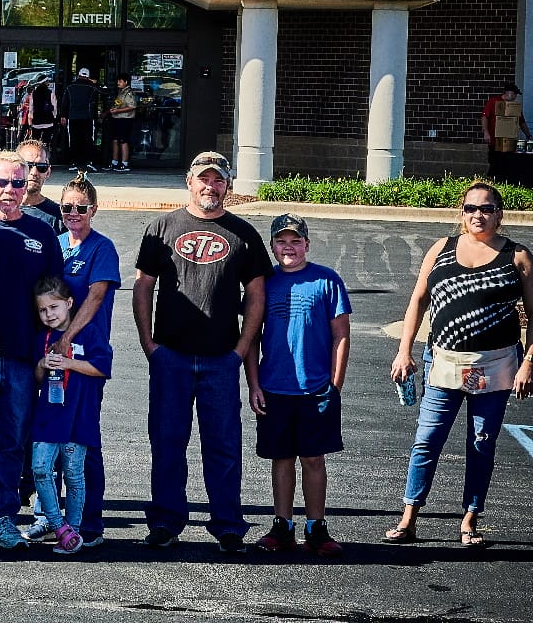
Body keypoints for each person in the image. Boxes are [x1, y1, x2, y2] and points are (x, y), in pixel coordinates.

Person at [132, 151, 269, 553]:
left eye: (218, 180)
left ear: (228, 185)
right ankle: (165, 522)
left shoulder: (244, 235)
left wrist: (241, 350)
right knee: (168, 442)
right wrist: (148, 343)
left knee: (223, 446)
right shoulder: (163, 227)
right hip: (170, 355)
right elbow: (143, 286)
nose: (211, 186)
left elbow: (257, 295)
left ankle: (227, 524)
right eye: (203, 179)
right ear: (189, 182)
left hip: (220, 359)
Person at [385, 182, 533, 548]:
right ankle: (408, 518)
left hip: (497, 365)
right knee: (426, 441)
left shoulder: (518, 257)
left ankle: (470, 519)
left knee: (482, 443)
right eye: (470, 208)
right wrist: (404, 351)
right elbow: (418, 300)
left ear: (500, 214)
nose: (477, 215)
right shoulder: (442, 248)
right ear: (461, 212)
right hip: (444, 362)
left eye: (486, 208)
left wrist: (529, 362)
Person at [0, 151, 59, 551]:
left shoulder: (43, 235)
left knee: (11, 443)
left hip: (23, 359)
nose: (9, 191)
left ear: (28, 186)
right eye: (1, 182)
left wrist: (47, 353)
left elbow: (55, 302)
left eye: (17, 183)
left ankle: (2, 519)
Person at [247, 214, 351, 556]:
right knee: (281, 459)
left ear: (307, 244)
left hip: (315, 389)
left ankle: (316, 527)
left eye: (295, 241)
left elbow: (341, 336)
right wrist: (254, 384)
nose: (288, 247)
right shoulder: (263, 283)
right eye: (281, 241)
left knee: (313, 458)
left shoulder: (327, 281)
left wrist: (334, 386)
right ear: (272, 246)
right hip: (274, 386)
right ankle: (283, 526)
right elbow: (250, 339)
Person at [52, 175, 119, 550]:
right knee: (52, 439)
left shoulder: (102, 248)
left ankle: (90, 521)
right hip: (52, 358)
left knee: (84, 441)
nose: (73, 214)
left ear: (94, 209)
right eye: (67, 208)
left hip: (85, 356)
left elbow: (94, 299)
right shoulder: (56, 244)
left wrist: (66, 338)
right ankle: (57, 518)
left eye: (80, 207)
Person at [25, 275, 109, 556]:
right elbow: (37, 378)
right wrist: (42, 363)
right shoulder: (41, 337)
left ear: (69, 303)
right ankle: (58, 525)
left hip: (79, 417)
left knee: (74, 475)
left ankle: (72, 531)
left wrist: (69, 362)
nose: (49, 315)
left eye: (54, 308)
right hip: (48, 417)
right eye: (43, 310)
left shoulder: (89, 333)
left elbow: (102, 368)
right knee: (40, 469)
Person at [481, 84, 528, 179]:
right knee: (495, 162)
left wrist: (528, 135)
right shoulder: (494, 102)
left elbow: (521, 122)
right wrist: (486, 133)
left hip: (509, 140)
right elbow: (484, 117)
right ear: (508, 92)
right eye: (514, 94)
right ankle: (492, 182)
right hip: (495, 140)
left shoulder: (514, 106)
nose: (515, 97)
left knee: (507, 163)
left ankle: (504, 182)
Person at [16, 139, 62, 229]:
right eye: (28, 165)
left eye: (41, 167)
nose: (34, 172)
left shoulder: (60, 216)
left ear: (48, 172)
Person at [61, 68, 99, 173]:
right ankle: (89, 162)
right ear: (88, 76)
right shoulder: (92, 87)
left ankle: (73, 162)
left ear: (78, 75)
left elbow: (65, 103)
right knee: (88, 140)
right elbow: (95, 103)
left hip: (73, 117)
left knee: (73, 140)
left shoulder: (70, 87)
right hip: (87, 118)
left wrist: (63, 116)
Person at [106, 74, 138, 171]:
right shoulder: (121, 92)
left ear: (126, 82)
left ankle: (125, 163)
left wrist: (118, 111)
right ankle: (114, 162)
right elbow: (117, 104)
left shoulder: (129, 93)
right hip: (116, 118)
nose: (118, 83)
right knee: (115, 140)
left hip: (125, 119)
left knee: (123, 140)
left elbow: (132, 106)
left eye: (120, 81)